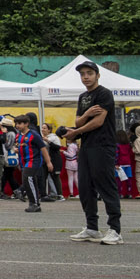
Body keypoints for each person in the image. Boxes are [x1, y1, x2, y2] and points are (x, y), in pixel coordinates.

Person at [67, 60, 123, 245]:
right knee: (85, 187)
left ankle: (115, 230)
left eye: (89, 73)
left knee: (106, 186)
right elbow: (78, 121)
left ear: (97, 75)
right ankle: (92, 228)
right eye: (82, 74)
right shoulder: (83, 97)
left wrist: (77, 132)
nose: (85, 77)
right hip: (87, 147)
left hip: (103, 145)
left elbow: (98, 122)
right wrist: (86, 114)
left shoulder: (104, 93)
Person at [14, 115, 54, 213]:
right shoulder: (18, 136)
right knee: (31, 181)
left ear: (26, 124)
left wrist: (48, 162)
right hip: (24, 161)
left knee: (27, 178)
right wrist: (17, 150)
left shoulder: (34, 134)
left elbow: (43, 148)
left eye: (19, 123)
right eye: (16, 123)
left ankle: (34, 203)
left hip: (34, 161)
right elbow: (20, 147)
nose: (17, 126)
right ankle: (35, 203)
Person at [42, 122, 66, 201]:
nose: (43, 130)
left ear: (49, 130)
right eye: (42, 128)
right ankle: (43, 194)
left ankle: (60, 195)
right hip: (45, 160)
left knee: (55, 177)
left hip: (55, 160)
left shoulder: (54, 137)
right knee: (43, 177)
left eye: (45, 128)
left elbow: (57, 147)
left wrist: (48, 141)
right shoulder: (41, 137)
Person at [61, 126, 80, 198]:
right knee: (76, 178)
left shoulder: (71, 146)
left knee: (71, 178)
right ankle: (79, 192)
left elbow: (71, 155)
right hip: (75, 163)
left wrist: (64, 152)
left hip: (70, 163)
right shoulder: (75, 145)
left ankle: (71, 193)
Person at [118, 130, 136, 200]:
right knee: (129, 179)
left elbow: (116, 154)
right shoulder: (128, 145)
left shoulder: (117, 145)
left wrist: (116, 163)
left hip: (120, 164)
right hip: (128, 163)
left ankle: (120, 193)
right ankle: (129, 193)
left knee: (119, 179)